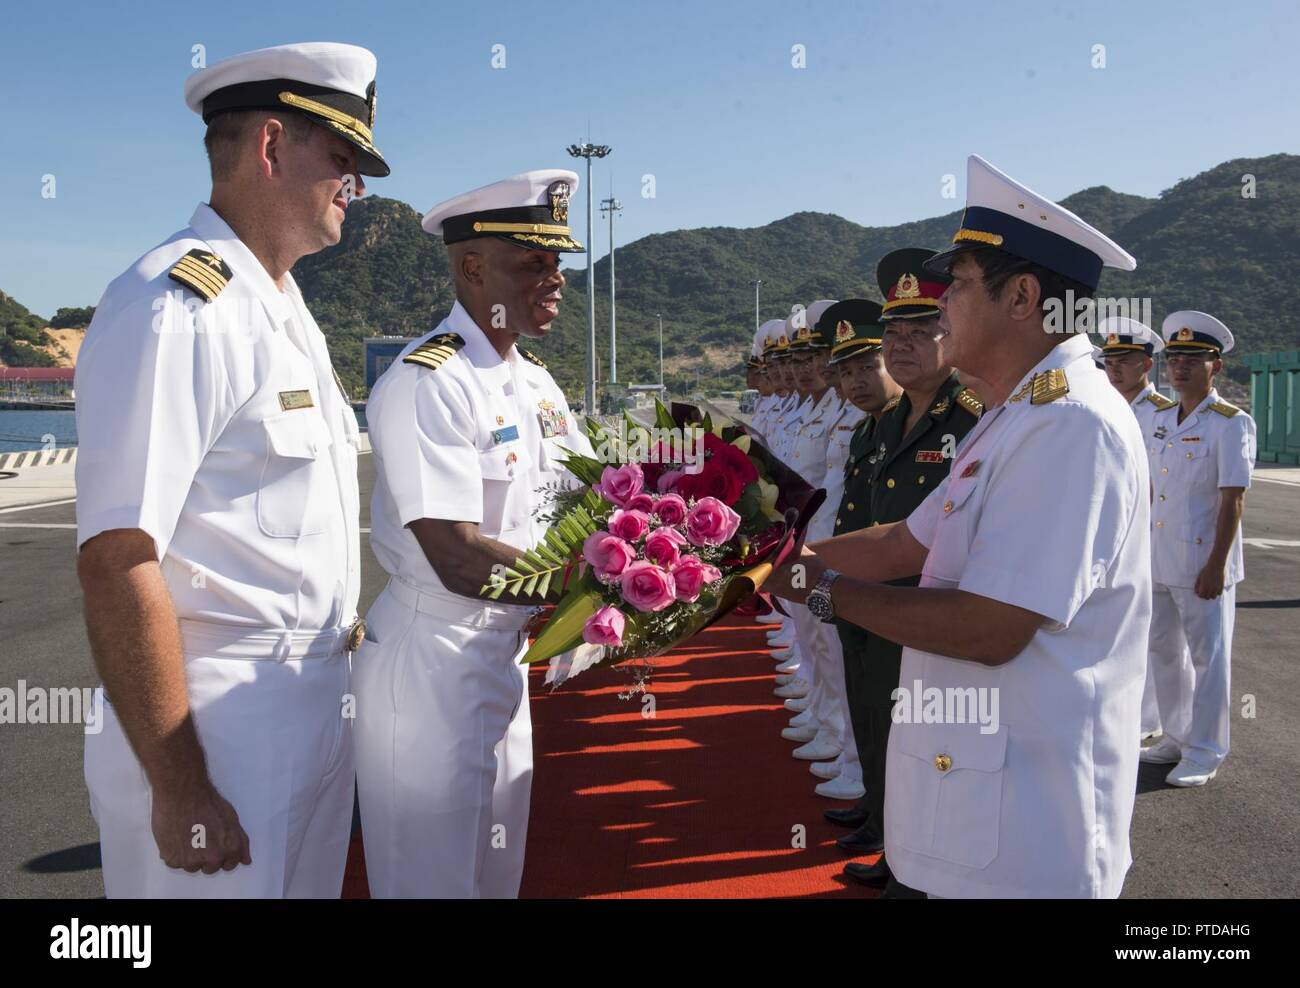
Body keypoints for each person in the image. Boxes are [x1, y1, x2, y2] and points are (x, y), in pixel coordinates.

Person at [766, 155, 1149, 898]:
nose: (942, 307)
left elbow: (991, 627)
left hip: (1025, 833)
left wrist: (813, 585)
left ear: (1024, 295)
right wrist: (765, 558)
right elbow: (905, 541)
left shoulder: (1071, 424)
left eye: (961, 285)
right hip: (969, 802)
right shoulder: (1014, 413)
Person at [75, 42, 385, 897]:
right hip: (217, 726)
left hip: (311, 699)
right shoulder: (176, 307)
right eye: (342, 157)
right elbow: (118, 558)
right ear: (273, 147)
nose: (353, 184)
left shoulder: (283, 309)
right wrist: (180, 786)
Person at [355, 170, 595, 897]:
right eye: (532, 263)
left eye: (557, 264)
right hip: (432, 661)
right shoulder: (431, 381)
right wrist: (597, 589)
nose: (553, 280)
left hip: (504, 653)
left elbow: (585, 505)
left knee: (494, 877)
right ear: (471, 267)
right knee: (431, 882)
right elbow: (457, 556)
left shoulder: (539, 385)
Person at [834, 250, 980, 891]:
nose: (901, 346)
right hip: (864, 601)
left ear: (953, 331)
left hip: (925, 611)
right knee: (875, 720)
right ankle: (893, 846)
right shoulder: (883, 423)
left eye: (921, 331)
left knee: (925, 745)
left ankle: (916, 868)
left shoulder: (974, 418)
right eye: (892, 334)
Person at [1139, 311, 1256, 787]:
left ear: (1216, 367)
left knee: (1209, 660)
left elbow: (1233, 498)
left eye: (1194, 359)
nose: (1181, 367)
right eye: (1175, 358)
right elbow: (1151, 490)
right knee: (1164, 652)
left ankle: (1206, 749)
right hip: (1159, 557)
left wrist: (1218, 565)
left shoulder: (1231, 423)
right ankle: (1176, 735)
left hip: (1203, 563)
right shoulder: (1163, 417)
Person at [1099, 316, 1184, 742]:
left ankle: (1178, 731)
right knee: (1134, 634)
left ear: (1146, 366)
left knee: (1167, 645)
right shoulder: (1104, 406)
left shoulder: (1166, 415)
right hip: (1118, 539)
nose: (1113, 369)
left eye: (1124, 361)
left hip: (1159, 542)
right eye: (1109, 361)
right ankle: (1144, 718)